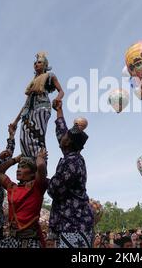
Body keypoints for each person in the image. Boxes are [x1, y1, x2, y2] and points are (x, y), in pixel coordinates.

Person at [47, 100, 93, 248]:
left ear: (68, 143)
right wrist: (59, 110)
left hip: (74, 227)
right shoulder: (71, 155)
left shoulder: (72, 163)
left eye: (65, 137)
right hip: (70, 226)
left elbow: (54, 189)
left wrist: (40, 173)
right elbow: (62, 130)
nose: (62, 137)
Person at [10, 52, 64, 158]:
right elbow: (26, 103)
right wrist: (15, 121)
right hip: (28, 111)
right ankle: (27, 163)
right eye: (35, 62)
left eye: (39, 62)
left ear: (44, 65)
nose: (36, 64)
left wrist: (57, 99)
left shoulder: (50, 75)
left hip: (42, 107)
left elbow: (61, 91)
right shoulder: (32, 82)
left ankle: (40, 162)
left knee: (38, 134)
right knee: (24, 137)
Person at [0, 149, 48, 248]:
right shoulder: (12, 187)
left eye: (23, 167)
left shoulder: (37, 187)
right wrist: (14, 160)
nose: (18, 169)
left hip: (30, 241)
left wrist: (40, 157)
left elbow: (40, 166)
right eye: (18, 167)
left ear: (32, 173)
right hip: (12, 239)